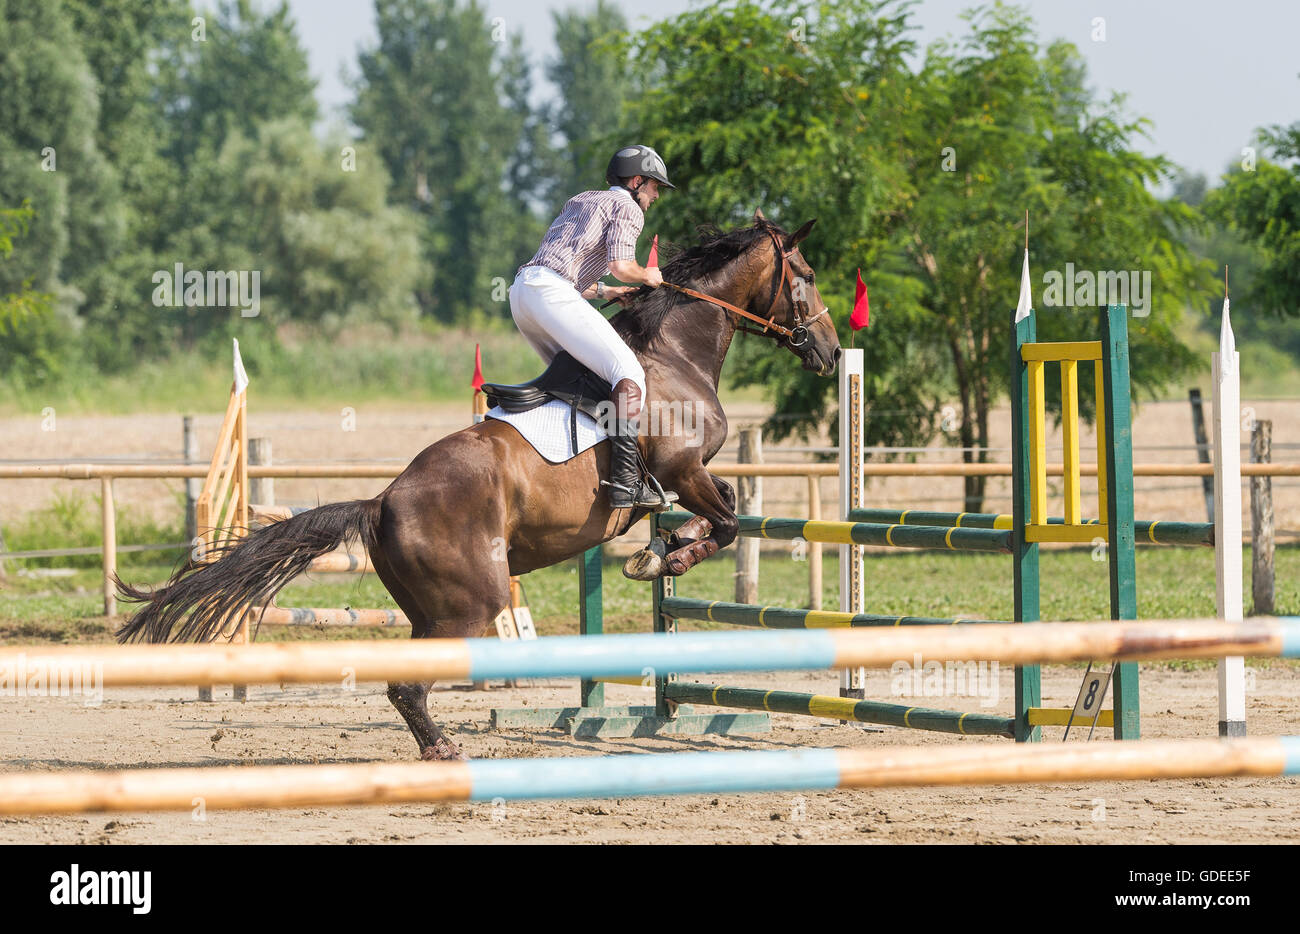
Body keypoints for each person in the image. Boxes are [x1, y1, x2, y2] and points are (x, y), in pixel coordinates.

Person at [509, 144, 678, 509]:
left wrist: (608, 291)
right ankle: (625, 484)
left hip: (523, 293)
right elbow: (621, 264)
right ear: (636, 182)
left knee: (577, 377)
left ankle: (566, 463)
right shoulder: (628, 208)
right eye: (654, 186)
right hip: (550, 293)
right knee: (629, 374)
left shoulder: (583, 199)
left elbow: (563, 270)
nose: (656, 195)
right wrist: (648, 276)